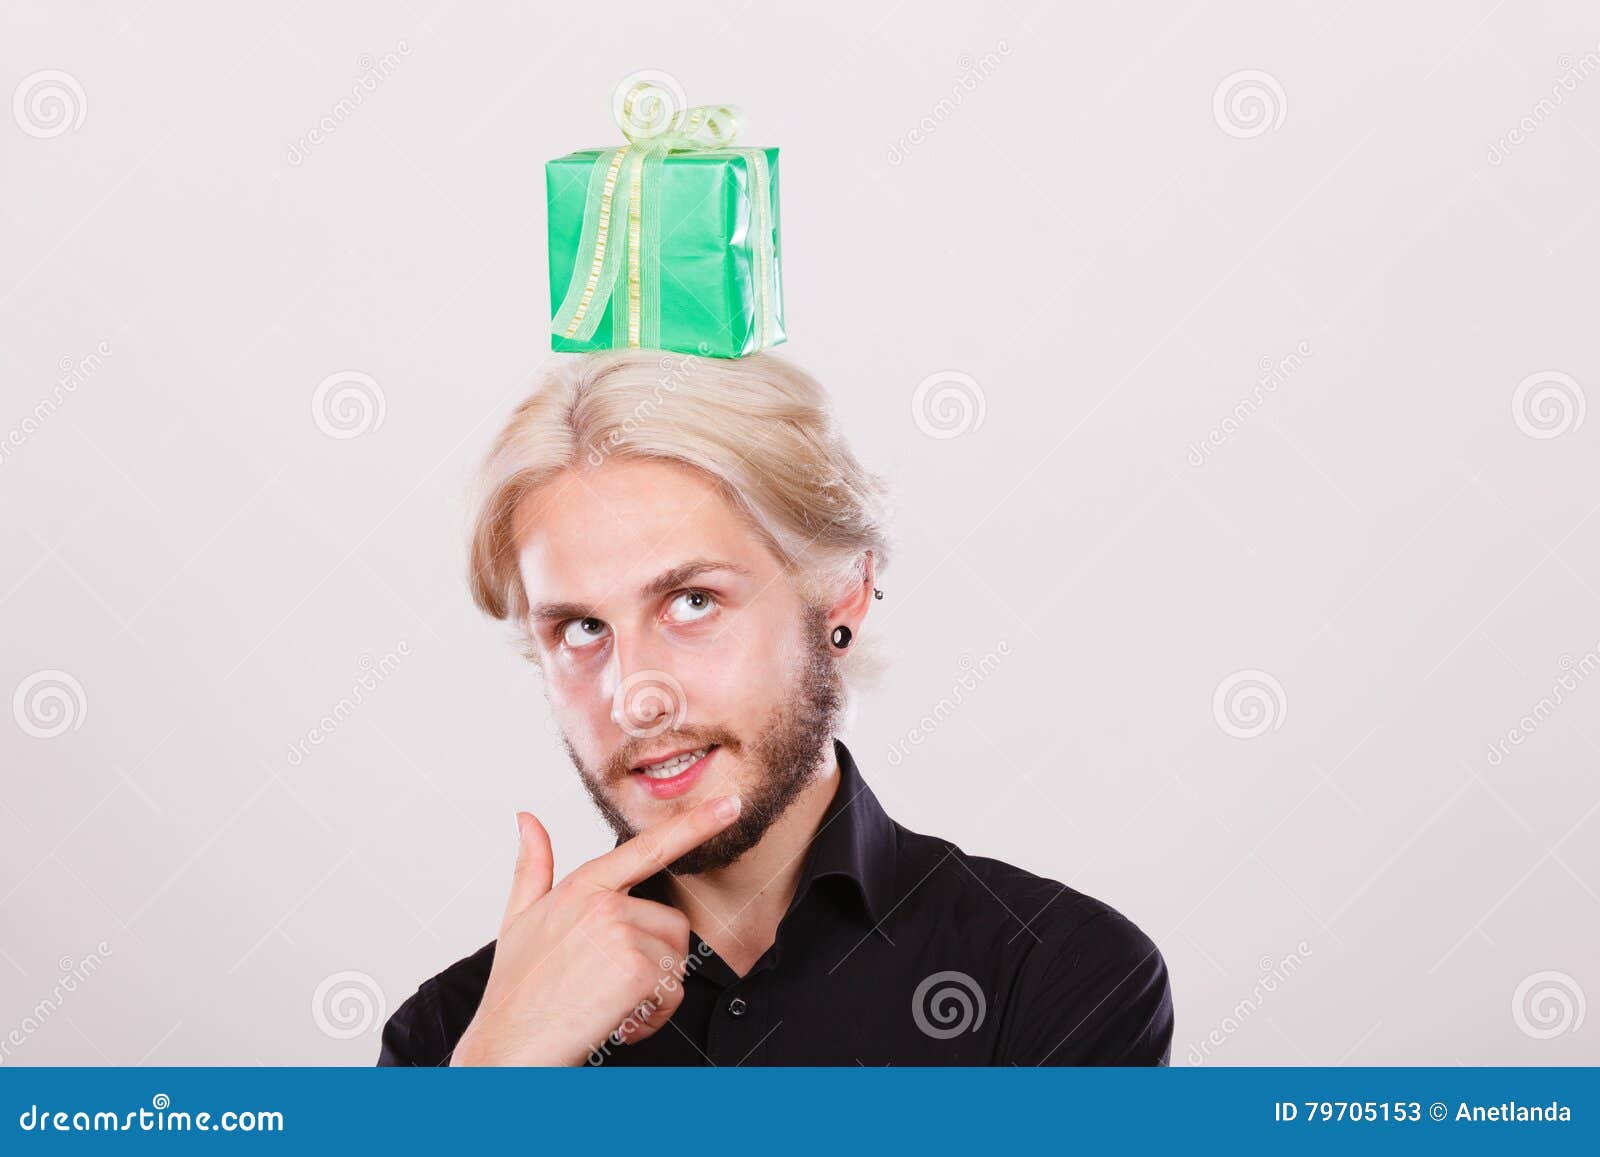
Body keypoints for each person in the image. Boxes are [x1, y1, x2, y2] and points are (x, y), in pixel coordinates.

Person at [377, 350, 1173, 1066]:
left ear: (842, 596)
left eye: (692, 601)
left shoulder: (1056, 977)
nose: (637, 696)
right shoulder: (452, 1039)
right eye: (582, 628)